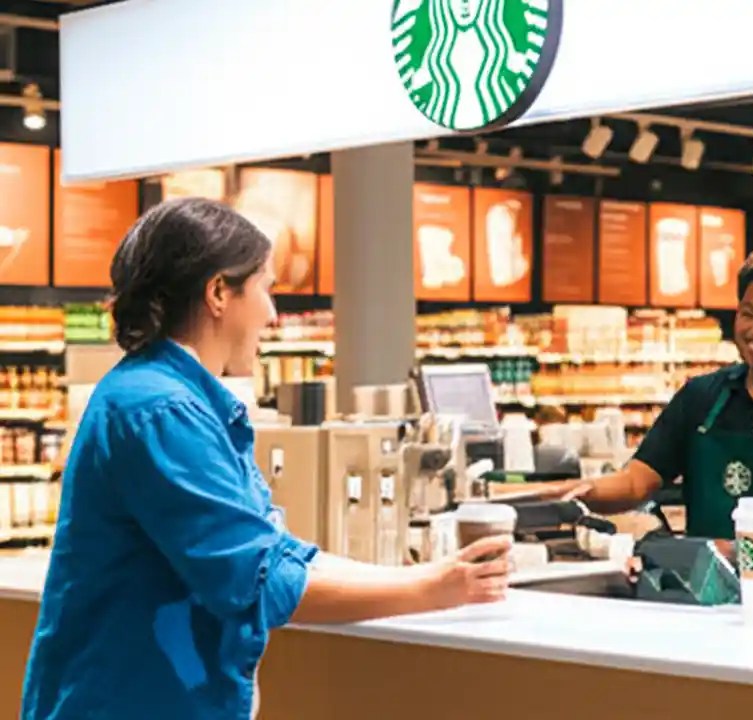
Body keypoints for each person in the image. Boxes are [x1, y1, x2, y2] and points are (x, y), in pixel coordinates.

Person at [22, 199, 512, 720]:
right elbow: (256, 581)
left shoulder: (170, 397)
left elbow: (277, 551)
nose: (273, 315)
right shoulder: (160, 410)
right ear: (217, 292)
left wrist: (432, 576)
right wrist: (428, 590)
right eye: (266, 288)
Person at [534, 244, 753, 540]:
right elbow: (637, 482)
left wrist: (743, 551)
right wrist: (563, 492)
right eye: (747, 314)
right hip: (700, 585)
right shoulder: (702, 395)